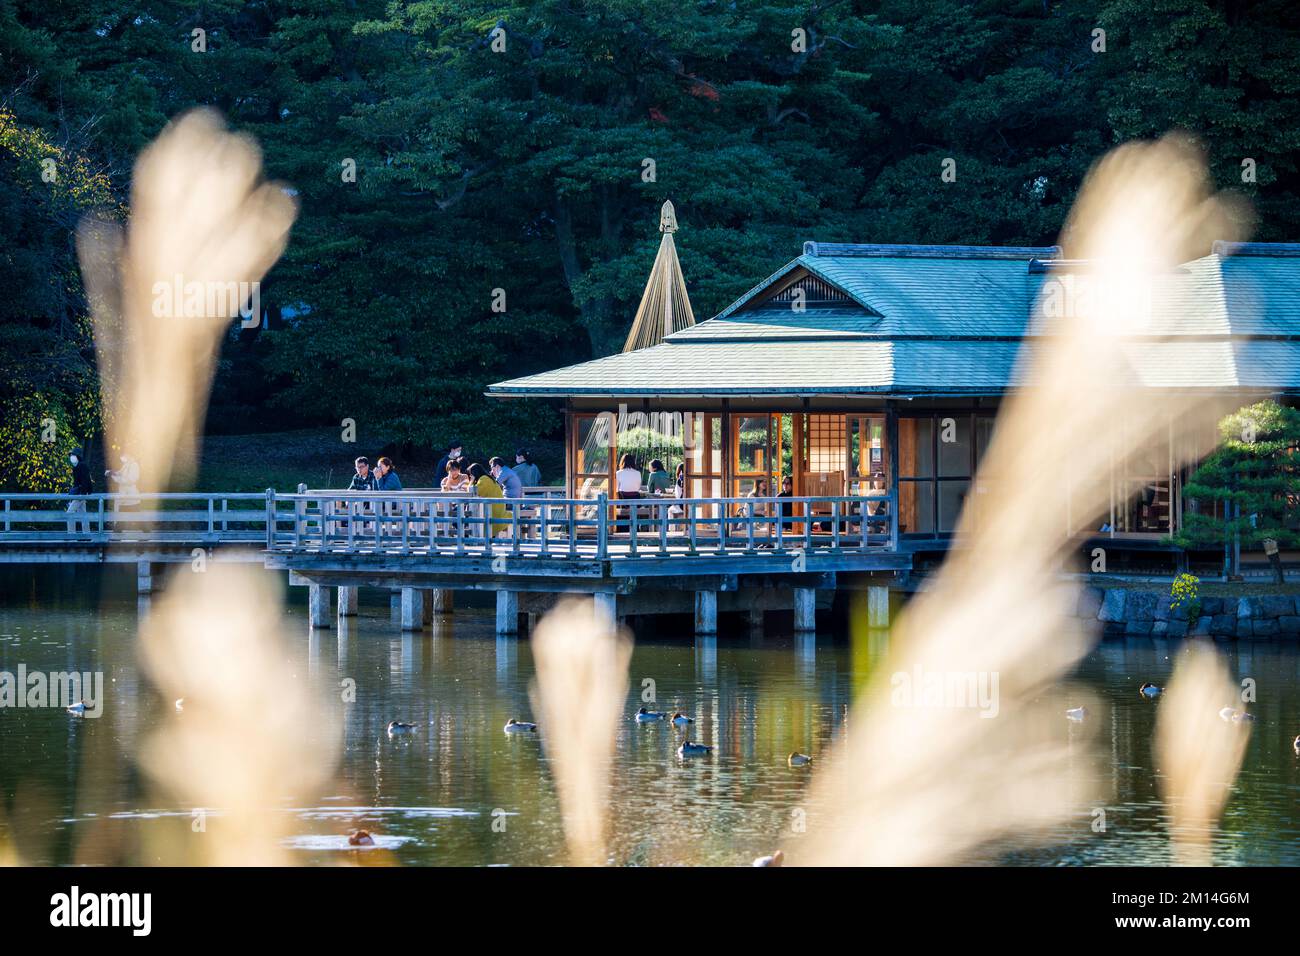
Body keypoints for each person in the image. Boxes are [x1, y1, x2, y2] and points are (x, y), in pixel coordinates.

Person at [469, 462, 507, 537]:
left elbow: (473, 493)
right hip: (497, 508)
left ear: (474, 473)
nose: (470, 476)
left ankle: (472, 535)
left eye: (470, 474)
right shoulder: (488, 478)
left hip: (493, 511)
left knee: (467, 513)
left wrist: (471, 481)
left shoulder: (483, 480)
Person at [66, 447, 93, 535]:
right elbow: (76, 484)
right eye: (71, 455)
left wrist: (83, 494)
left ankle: (71, 534)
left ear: (78, 456)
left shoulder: (82, 465)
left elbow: (85, 481)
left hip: (81, 494)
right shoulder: (76, 467)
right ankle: (87, 534)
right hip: (80, 494)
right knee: (83, 515)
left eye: (73, 455)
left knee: (69, 513)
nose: (71, 457)